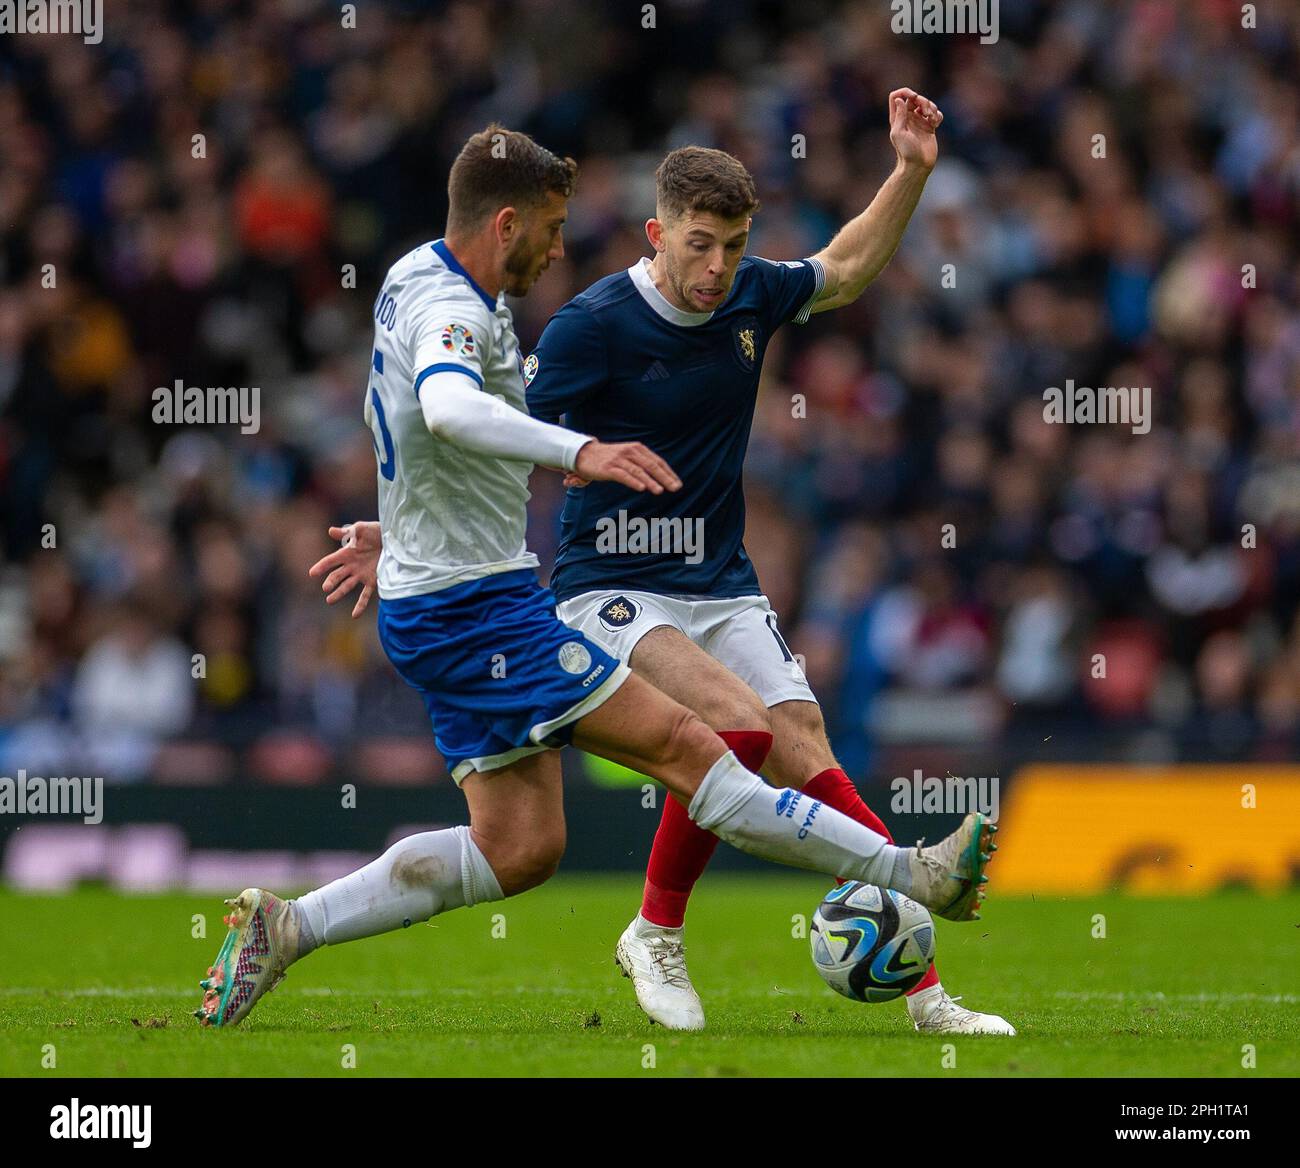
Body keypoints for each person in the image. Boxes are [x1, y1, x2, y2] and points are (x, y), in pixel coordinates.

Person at [193, 123, 997, 1032]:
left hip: (594, 583)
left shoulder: (423, 276)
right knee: (717, 738)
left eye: (733, 245)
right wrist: (586, 450)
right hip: (544, 596)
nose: (558, 247)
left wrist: (908, 171)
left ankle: (288, 927)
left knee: (525, 846)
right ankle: (890, 879)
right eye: (550, 227)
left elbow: (844, 269)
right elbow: (460, 411)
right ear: (513, 223)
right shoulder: (564, 323)